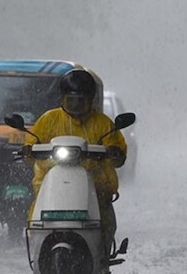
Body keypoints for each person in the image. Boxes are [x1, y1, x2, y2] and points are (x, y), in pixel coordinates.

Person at [24, 69, 127, 253]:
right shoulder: (48, 120)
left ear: (91, 100)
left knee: (106, 224)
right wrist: (28, 149)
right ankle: (39, 251)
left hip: (96, 190)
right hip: (52, 188)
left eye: (81, 100)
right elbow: (32, 142)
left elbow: (118, 154)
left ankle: (102, 258)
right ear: (62, 99)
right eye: (70, 100)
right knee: (36, 221)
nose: (76, 105)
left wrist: (115, 152)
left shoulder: (103, 123)